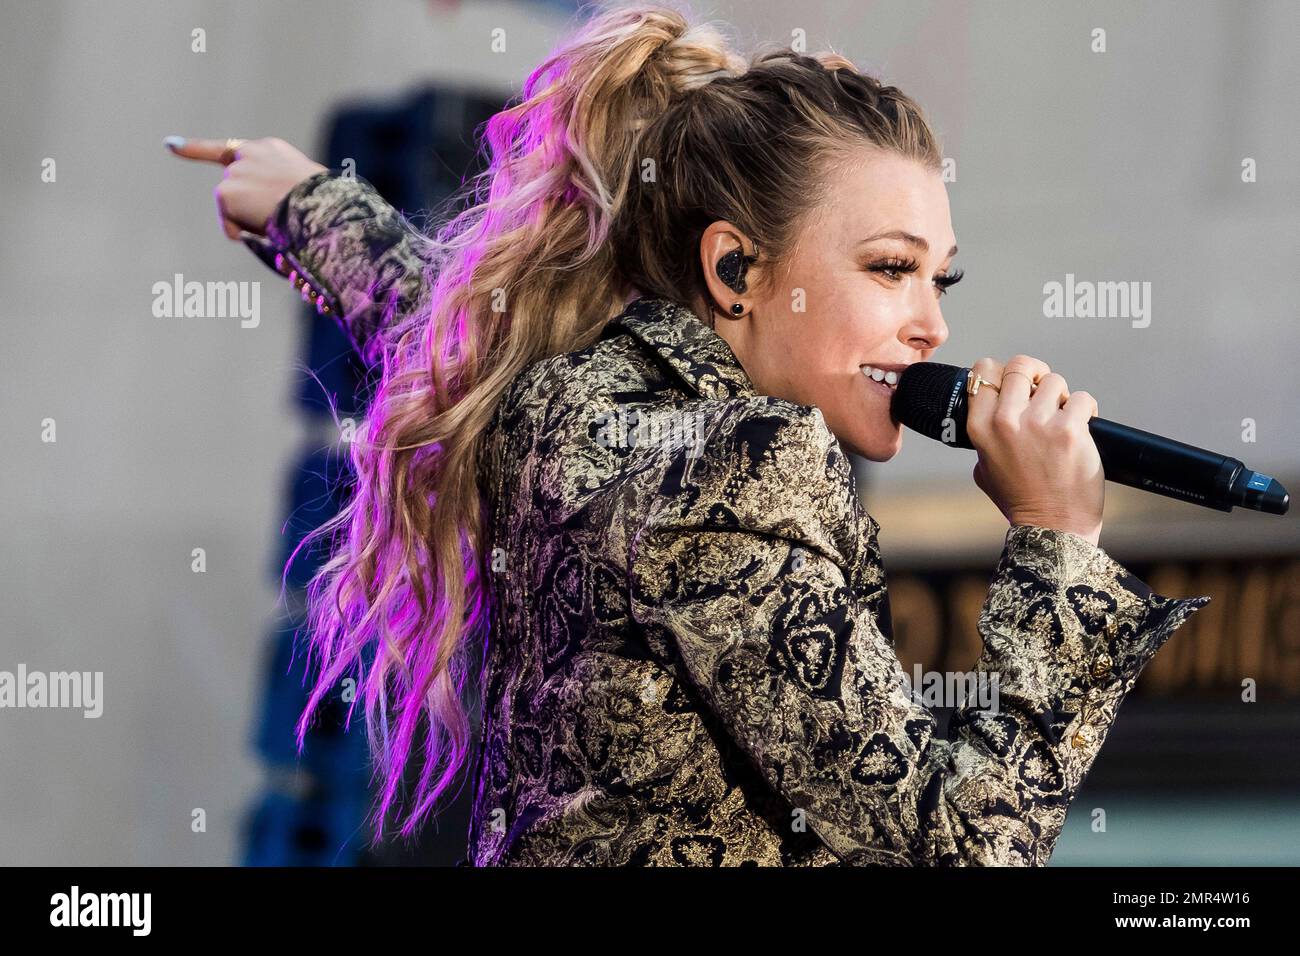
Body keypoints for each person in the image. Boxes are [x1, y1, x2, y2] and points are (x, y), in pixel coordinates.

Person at [167, 4, 1208, 865]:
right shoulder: (742, 465)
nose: (931, 323)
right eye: (890, 268)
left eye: (942, 278)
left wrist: (300, 201)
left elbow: (423, 304)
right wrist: (1056, 542)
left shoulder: (550, 393)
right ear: (735, 272)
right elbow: (957, 845)